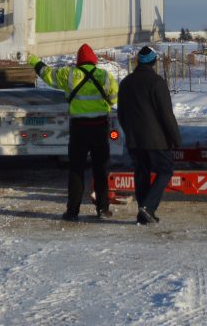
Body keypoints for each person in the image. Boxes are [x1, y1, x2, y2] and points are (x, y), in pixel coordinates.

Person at [28, 44, 118, 222]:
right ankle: (103, 209)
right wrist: (106, 105)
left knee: (76, 170)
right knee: (101, 170)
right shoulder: (104, 76)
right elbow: (114, 96)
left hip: (79, 129)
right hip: (99, 128)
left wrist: (34, 61)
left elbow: (47, 75)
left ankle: (72, 211)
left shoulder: (69, 75)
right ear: (93, 60)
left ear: (78, 61)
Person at [116, 45, 182, 226]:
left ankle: (143, 213)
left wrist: (129, 131)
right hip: (156, 139)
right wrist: (176, 138)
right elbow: (166, 114)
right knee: (165, 170)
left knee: (141, 173)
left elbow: (121, 114)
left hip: (134, 140)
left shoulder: (126, 82)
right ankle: (148, 207)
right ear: (154, 61)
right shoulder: (157, 82)